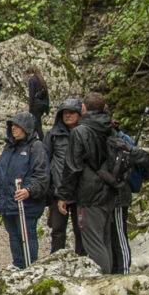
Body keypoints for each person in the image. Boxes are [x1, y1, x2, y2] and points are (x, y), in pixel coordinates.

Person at [59, 92, 134, 274]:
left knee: (93, 242)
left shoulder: (80, 132)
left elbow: (73, 167)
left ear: (84, 108)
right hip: (108, 191)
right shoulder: (109, 128)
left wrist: (64, 195)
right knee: (105, 239)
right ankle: (109, 277)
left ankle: (101, 281)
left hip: (89, 193)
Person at [0, 111, 50, 268]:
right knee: (14, 236)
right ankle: (18, 266)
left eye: (17, 125)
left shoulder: (36, 147)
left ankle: (30, 268)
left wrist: (29, 190)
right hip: (8, 202)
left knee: (27, 236)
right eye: (12, 125)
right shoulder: (9, 147)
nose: (13, 128)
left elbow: (42, 176)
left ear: (27, 128)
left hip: (26, 204)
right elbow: (0, 173)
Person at [46, 98, 84, 256]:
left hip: (80, 191)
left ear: (80, 114)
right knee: (57, 230)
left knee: (80, 230)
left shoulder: (85, 133)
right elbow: (46, 161)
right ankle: (55, 260)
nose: (67, 115)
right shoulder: (53, 135)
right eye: (64, 113)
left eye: (71, 112)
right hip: (58, 190)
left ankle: (82, 261)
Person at [25, 69, 50, 136]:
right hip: (43, 105)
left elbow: (32, 95)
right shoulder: (41, 79)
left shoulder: (32, 80)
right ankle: (39, 138)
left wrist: (30, 108)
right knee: (37, 123)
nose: (26, 77)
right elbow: (46, 94)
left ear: (29, 73)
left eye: (26, 75)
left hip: (36, 105)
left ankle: (41, 139)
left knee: (37, 124)